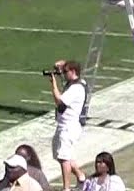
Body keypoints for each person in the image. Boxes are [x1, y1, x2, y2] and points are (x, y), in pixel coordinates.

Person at [48, 59, 87, 190]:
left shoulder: (76, 88)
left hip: (68, 127)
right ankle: (81, 176)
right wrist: (62, 64)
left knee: (64, 158)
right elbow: (69, 73)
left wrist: (53, 84)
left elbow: (59, 101)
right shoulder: (77, 83)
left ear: (73, 72)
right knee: (61, 155)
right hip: (65, 126)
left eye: (65, 72)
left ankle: (66, 188)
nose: (63, 74)